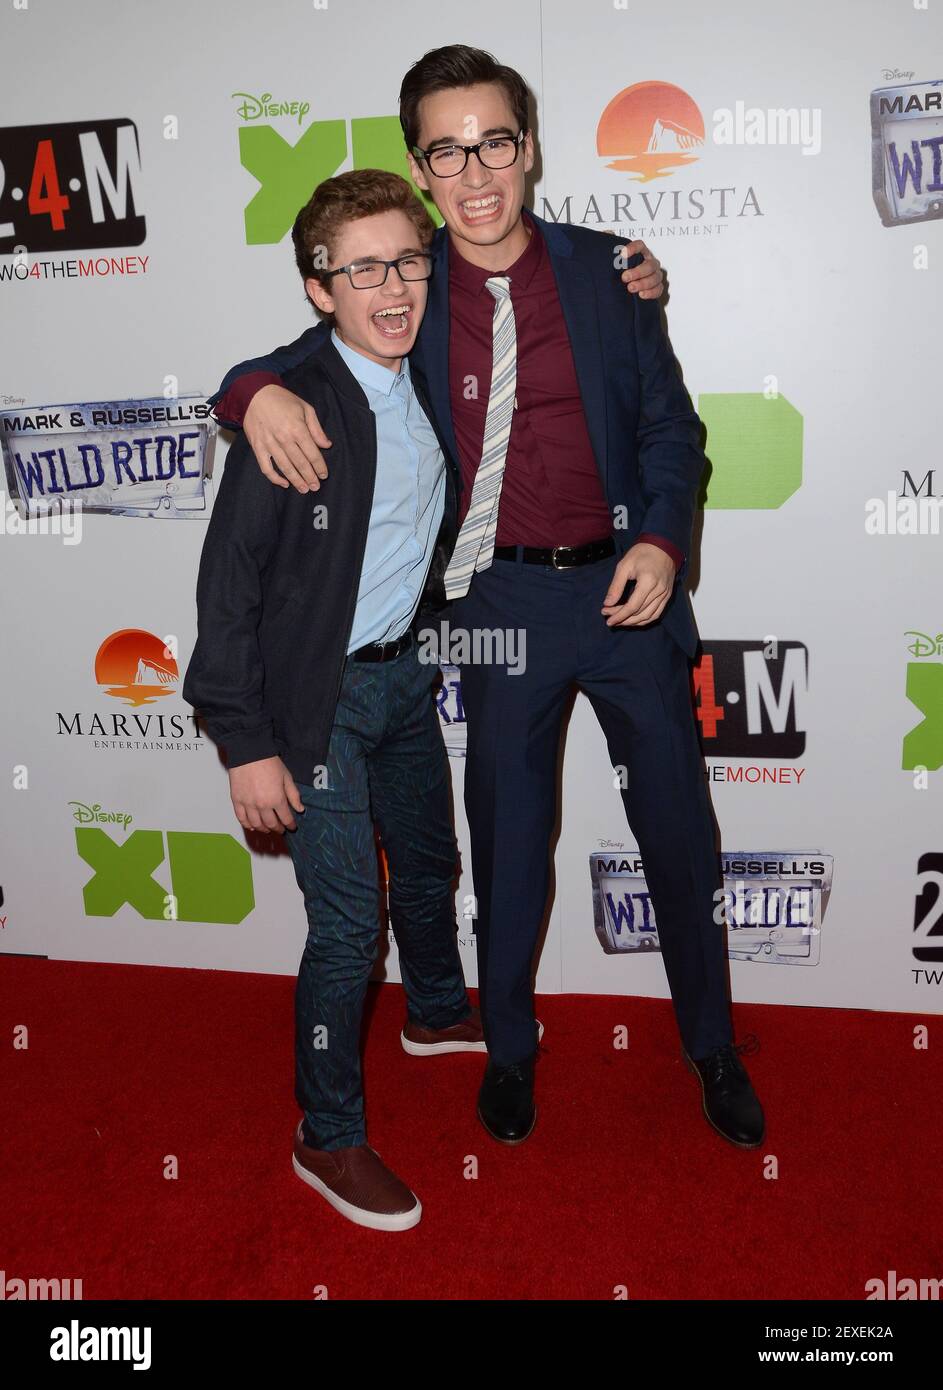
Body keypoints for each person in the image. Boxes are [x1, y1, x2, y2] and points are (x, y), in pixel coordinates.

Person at [210, 45, 765, 1152]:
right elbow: (285, 365)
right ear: (421, 166)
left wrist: (661, 541)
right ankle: (508, 1046)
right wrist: (252, 393)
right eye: (446, 149)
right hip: (498, 604)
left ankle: (711, 1042)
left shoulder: (612, 273)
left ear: (529, 146)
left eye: (494, 140)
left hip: (629, 590)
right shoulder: (406, 292)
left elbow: (672, 429)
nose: (475, 171)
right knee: (508, 840)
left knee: (679, 834)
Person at [183, 168, 489, 1232]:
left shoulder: (438, 366)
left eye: (406, 259)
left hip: (406, 674)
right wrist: (244, 743)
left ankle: (437, 1014)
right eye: (361, 269)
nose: (391, 286)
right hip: (313, 704)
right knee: (350, 926)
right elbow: (227, 592)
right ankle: (326, 1133)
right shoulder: (292, 409)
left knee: (432, 858)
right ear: (320, 289)